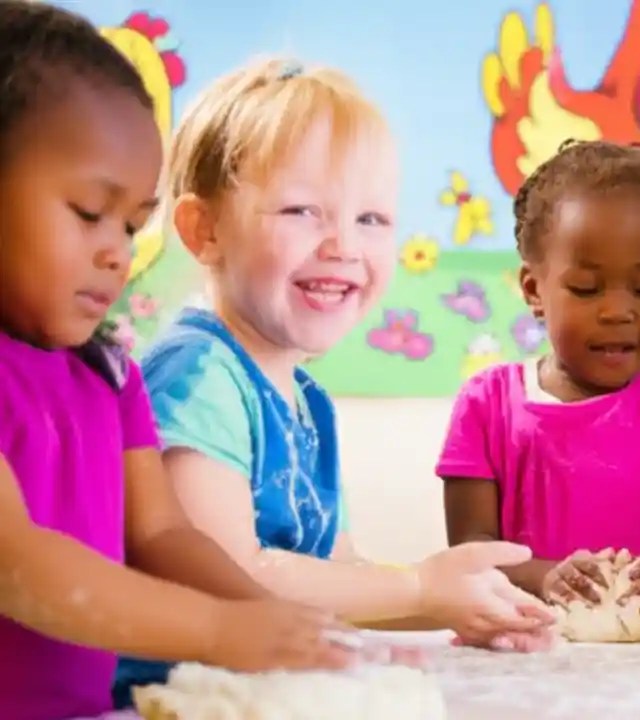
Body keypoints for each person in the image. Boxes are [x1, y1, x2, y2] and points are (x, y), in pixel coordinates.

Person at [112, 58, 553, 705]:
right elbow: (226, 571)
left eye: (371, 220)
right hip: (168, 700)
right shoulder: (198, 376)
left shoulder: (306, 399)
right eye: (302, 211)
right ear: (204, 231)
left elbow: (335, 573)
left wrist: (454, 603)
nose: (344, 245)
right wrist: (417, 587)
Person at [0, 5, 359, 718]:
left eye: (133, 224)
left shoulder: (110, 379)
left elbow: (161, 534)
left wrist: (277, 623)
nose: (118, 251)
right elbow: (16, 561)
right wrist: (220, 630)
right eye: (88, 211)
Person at [439, 140, 640, 625]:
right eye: (585, 288)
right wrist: (545, 578)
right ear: (534, 289)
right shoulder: (487, 405)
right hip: (521, 654)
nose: (618, 311)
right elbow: (471, 550)